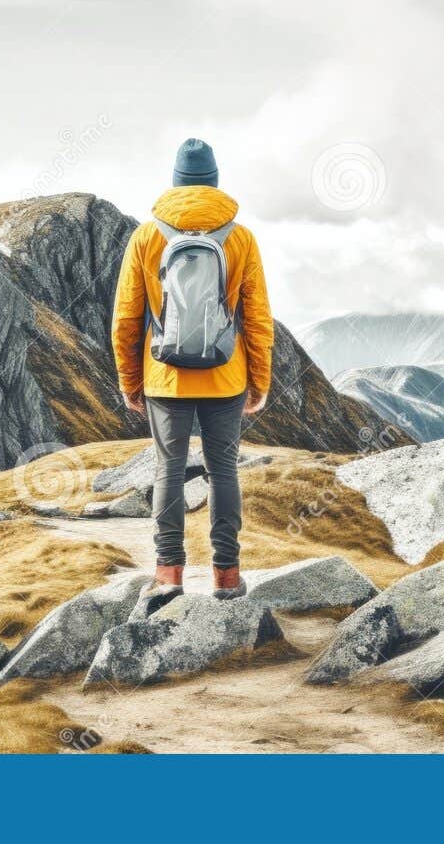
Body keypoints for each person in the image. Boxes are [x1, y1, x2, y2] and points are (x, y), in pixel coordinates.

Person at [111, 138, 273, 606]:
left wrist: (130, 381)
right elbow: (258, 318)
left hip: (165, 376)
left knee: (169, 471)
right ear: (215, 182)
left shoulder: (147, 237)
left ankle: (168, 575)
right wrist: (259, 380)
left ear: (176, 182)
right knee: (224, 471)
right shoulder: (240, 238)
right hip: (226, 375)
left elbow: (125, 317)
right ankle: (226, 576)